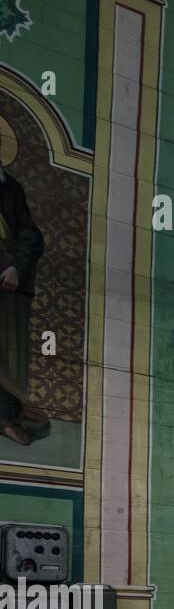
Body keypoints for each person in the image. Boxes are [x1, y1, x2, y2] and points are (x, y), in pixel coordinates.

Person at [0, 163, 44, 446]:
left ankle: (4, 419)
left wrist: (16, 267)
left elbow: (32, 236)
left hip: (4, 277)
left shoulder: (9, 189)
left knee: (5, 350)